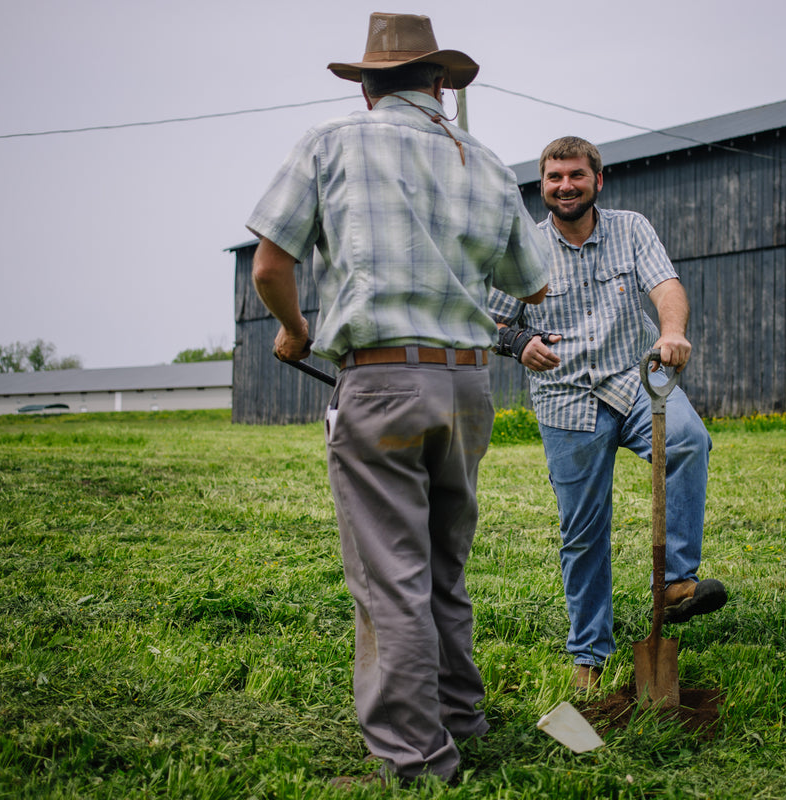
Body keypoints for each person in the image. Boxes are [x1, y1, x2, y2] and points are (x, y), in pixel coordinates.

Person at [246, 13, 550, 787]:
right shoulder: (484, 160)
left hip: (381, 379)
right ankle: (460, 715)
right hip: (468, 384)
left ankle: (415, 757)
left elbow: (270, 267)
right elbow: (534, 283)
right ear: (440, 83)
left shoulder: (330, 142)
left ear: (368, 84)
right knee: (444, 562)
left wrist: (296, 330)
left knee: (391, 573)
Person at [489, 136, 726, 693]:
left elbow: (666, 286)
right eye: (554, 177)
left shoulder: (631, 228)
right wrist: (518, 342)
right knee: (583, 530)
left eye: (576, 175)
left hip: (635, 376)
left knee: (688, 439)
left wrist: (671, 331)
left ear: (598, 180)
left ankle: (675, 583)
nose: (565, 185)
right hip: (565, 395)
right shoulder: (524, 248)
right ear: (542, 185)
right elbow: (488, 319)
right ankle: (589, 655)